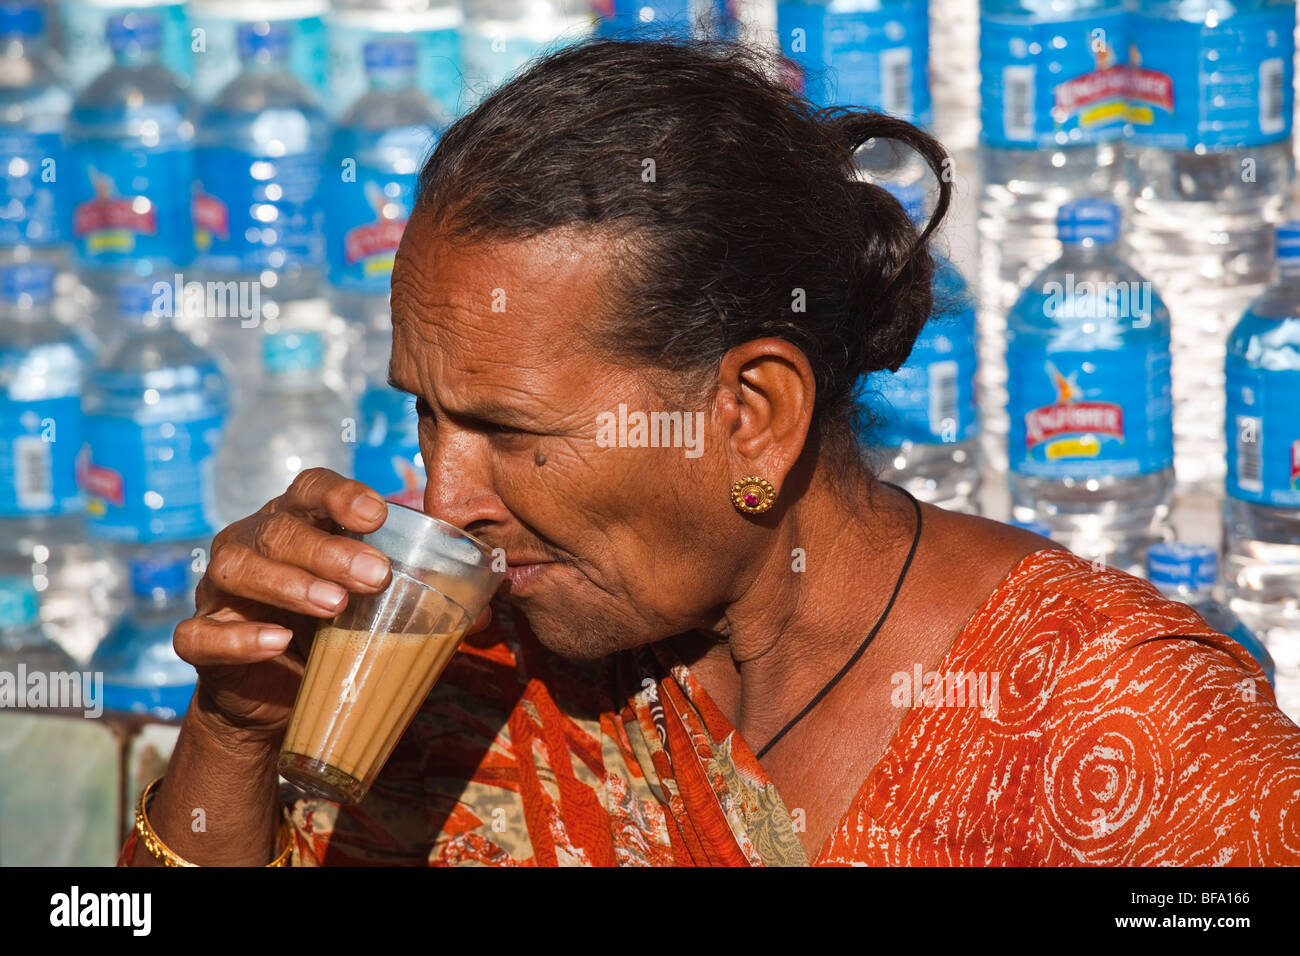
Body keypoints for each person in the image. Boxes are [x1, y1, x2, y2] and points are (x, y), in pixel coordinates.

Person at [120, 37, 1300, 867]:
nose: (443, 497)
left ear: (753, 416)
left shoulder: (1122, 731)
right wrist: (232, 730)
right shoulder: (466, 671)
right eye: (426, 413)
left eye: (511, 431)